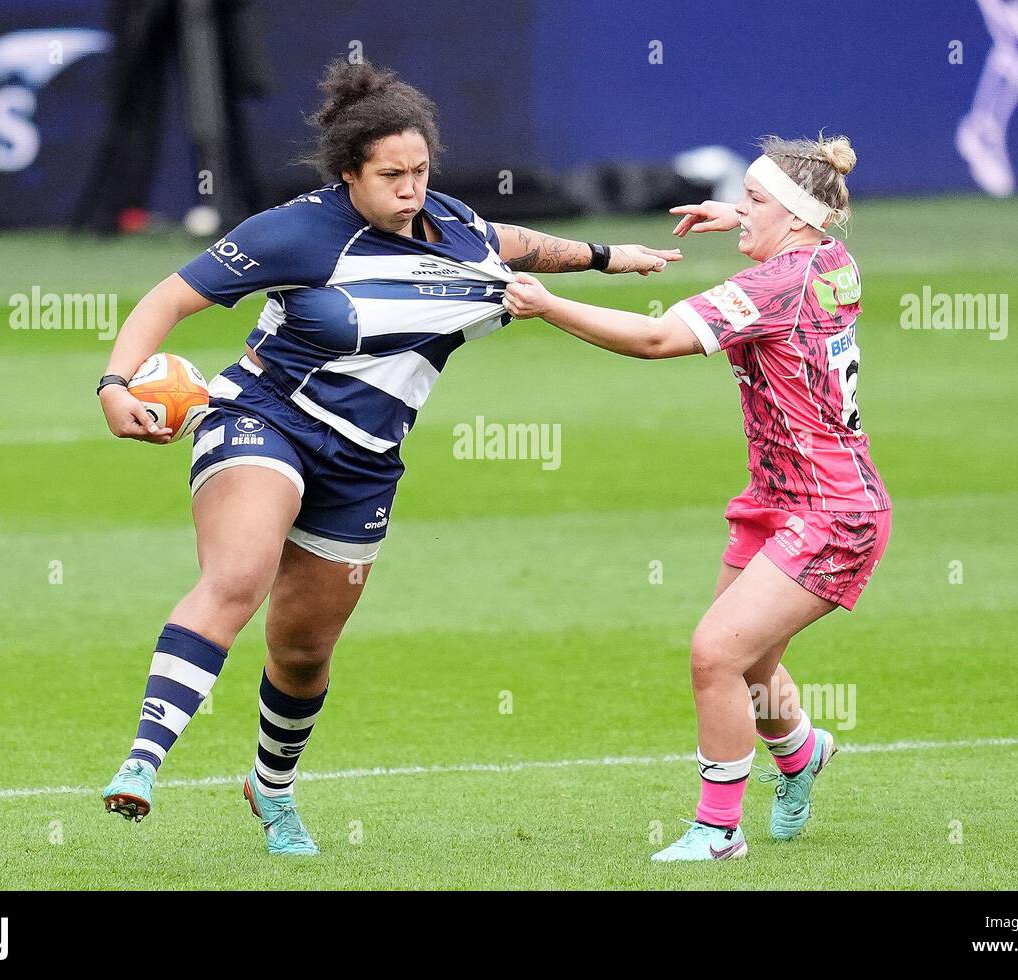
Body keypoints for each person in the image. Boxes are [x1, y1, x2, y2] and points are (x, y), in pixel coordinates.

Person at [94, 59, 682, 855]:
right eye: (390, 175)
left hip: (366, 462)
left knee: (303, 652)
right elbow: (170, 297)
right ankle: (143, 761)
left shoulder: (460, 230)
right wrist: (114, 382)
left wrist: (607, 255)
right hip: (263, 417)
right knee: (237, 575)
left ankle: (271, 790)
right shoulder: (293, 232)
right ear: (348, 175)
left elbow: (517, 245)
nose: (410, 189)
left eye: (421, 171)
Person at [503, 134, 890, 862]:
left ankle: (717, 832)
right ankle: (801, 753)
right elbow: (797, 239)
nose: (739, 210)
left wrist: (549, 304)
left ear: (796, 215)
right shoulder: (830, 259)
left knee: (716, 653)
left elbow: (655, 339)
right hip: (779, 499)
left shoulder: (775, 288)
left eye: (753, 202)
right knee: (750, 661)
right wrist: (745, 217)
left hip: (831, 514)